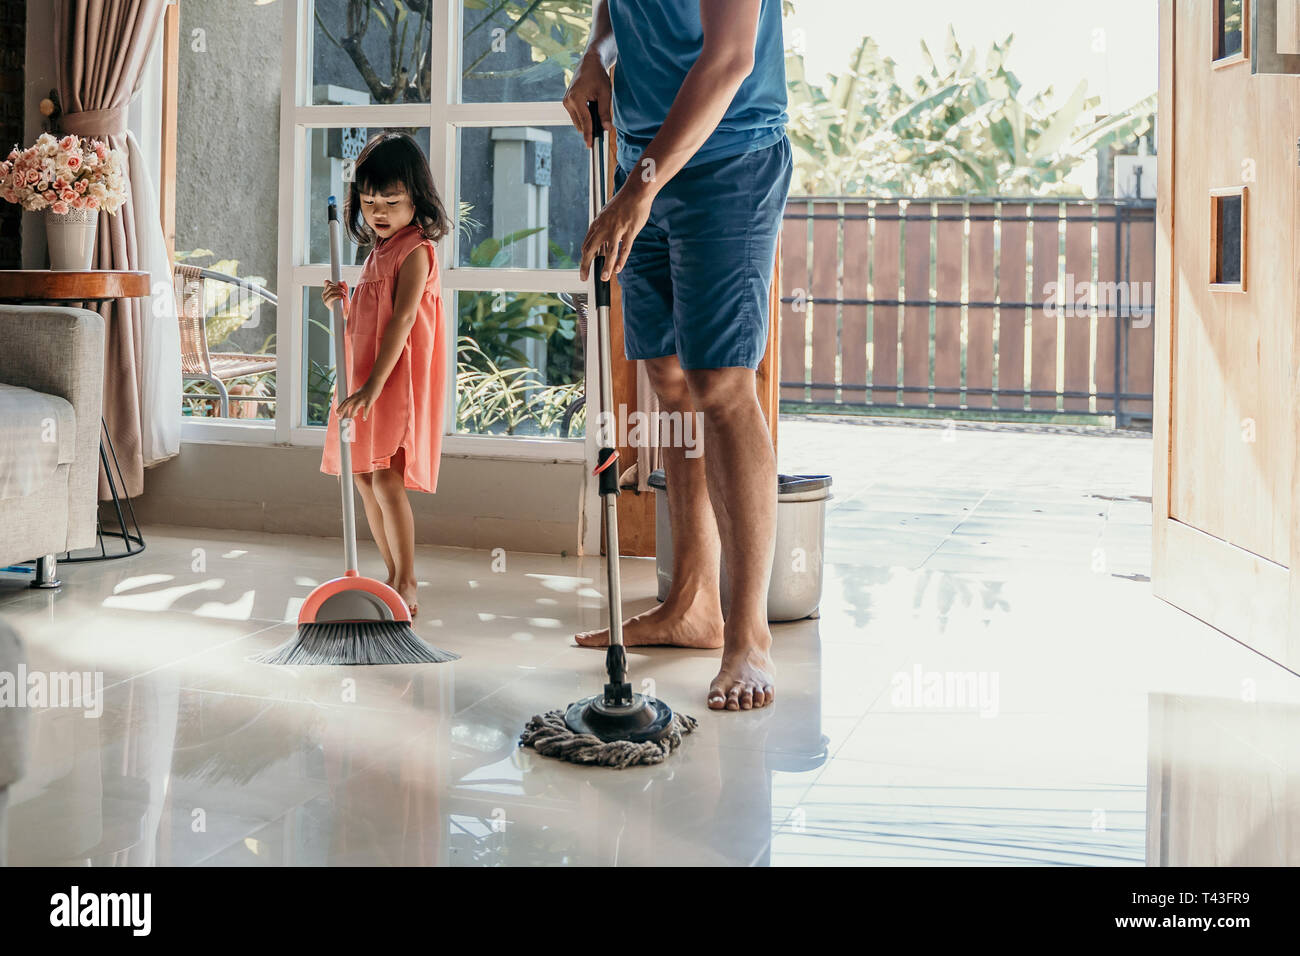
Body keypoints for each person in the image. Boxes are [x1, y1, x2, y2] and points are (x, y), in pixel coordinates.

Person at [563, 0, 793, 711]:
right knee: (665, 374)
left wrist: (638, 188)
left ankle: (748, 636)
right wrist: (594, 56)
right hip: (644, 158)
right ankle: (692, 603)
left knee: (721, 383)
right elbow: (616, 12)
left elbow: (730, 57)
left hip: (727, 161)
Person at [320, 131, 450, 618]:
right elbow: (371, 319)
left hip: (392, 381)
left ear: (418, 198)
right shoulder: (379, 249)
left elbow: (401, 321)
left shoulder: (415, 251)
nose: (379, 212)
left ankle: (407, 579)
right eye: (370, 201)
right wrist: (346, 301)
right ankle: (390, 571)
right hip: (365, 376)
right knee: (364, 478)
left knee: (387, 480)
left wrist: (374, 387)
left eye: (392, 202)